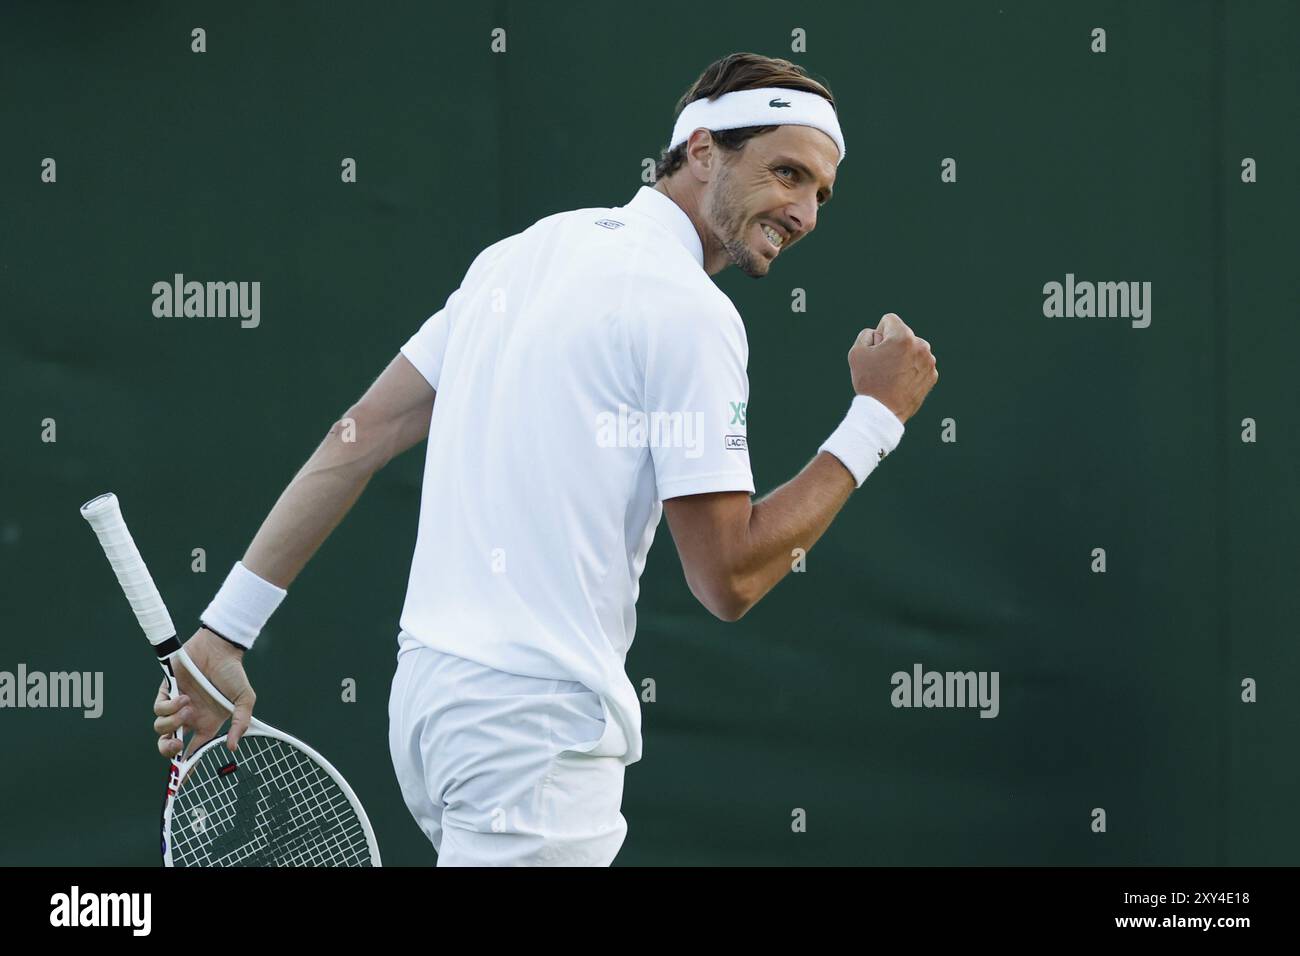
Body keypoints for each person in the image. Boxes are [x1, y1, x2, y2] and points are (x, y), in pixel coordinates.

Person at [151, 51, 938, 866]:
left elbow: (356, 439)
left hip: (431, 712)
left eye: (820, 193)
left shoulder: (520, 256)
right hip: (534, 739)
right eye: (787, 173)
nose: (805, 212)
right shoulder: (690, 311)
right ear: (702, 149)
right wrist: (873, 421)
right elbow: (728, 578)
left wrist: (223, 635)